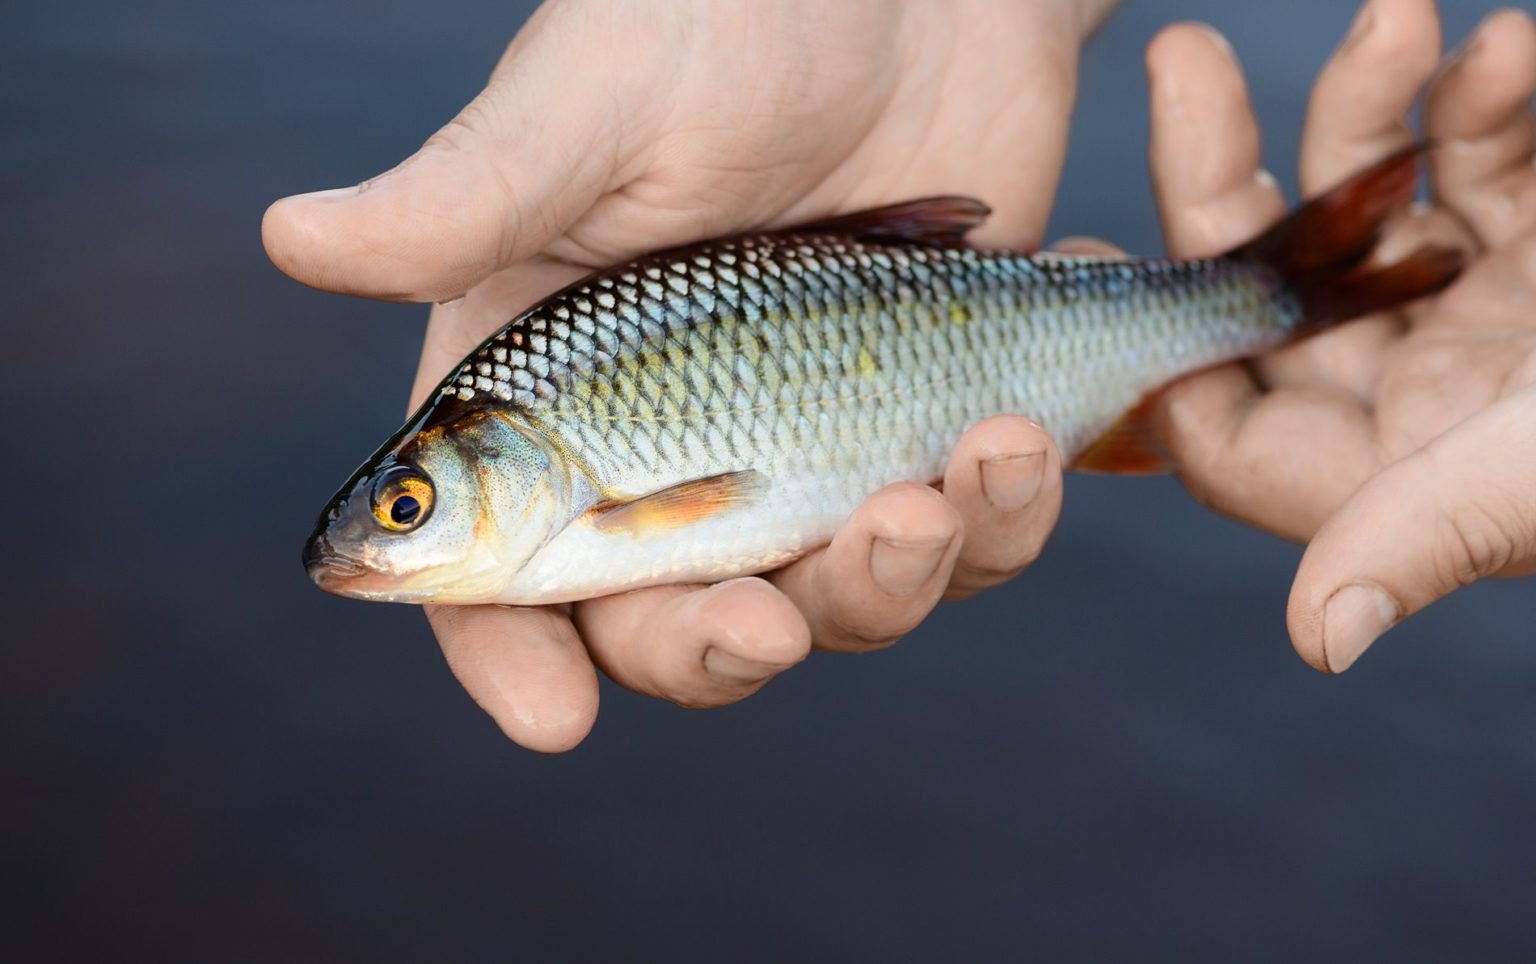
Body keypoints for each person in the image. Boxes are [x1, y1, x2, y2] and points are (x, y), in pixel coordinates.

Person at [264, 0, 1536, 751]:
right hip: (952, 322)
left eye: (406, 507)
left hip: (953, 323)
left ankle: (1281, 290)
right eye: (401, 510)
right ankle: (1286, 289)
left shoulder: (568, 480)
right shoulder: (539, 455)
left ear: (493, 455)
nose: (384, 535)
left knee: (954, 500)